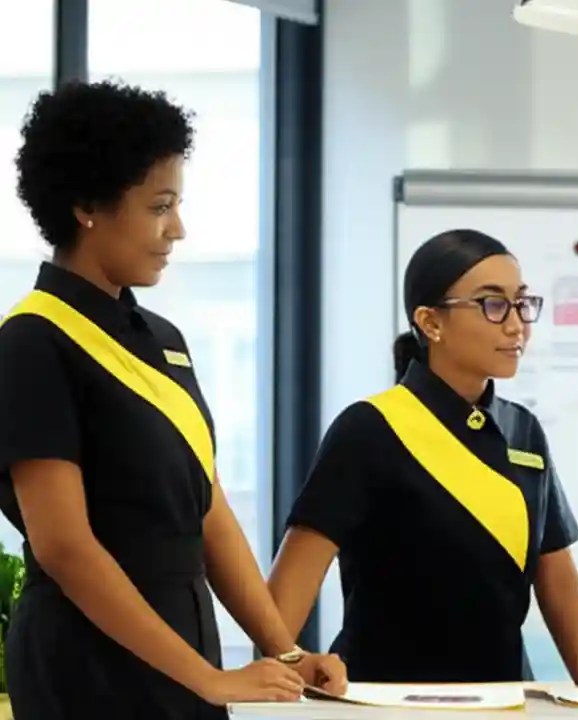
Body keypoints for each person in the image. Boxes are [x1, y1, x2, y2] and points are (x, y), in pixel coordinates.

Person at [0, 81, 346, 719]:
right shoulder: (32, 341)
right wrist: (208, 680)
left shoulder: (164, 341)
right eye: (160, 206)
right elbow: (64, 546)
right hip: (86, 661)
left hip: (180, 644)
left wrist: (286, 651)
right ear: (86, 206)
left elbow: (209, 512)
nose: (177, 230)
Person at [267, 229, 578, 686]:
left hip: (501, 699)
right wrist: (280, 672)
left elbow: (558, 581)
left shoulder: (523, 431)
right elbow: (289, 590)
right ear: (430, 322)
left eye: (521, 303)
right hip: (382, 702)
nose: (515, 325)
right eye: (492, 304)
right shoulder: (371, 427)